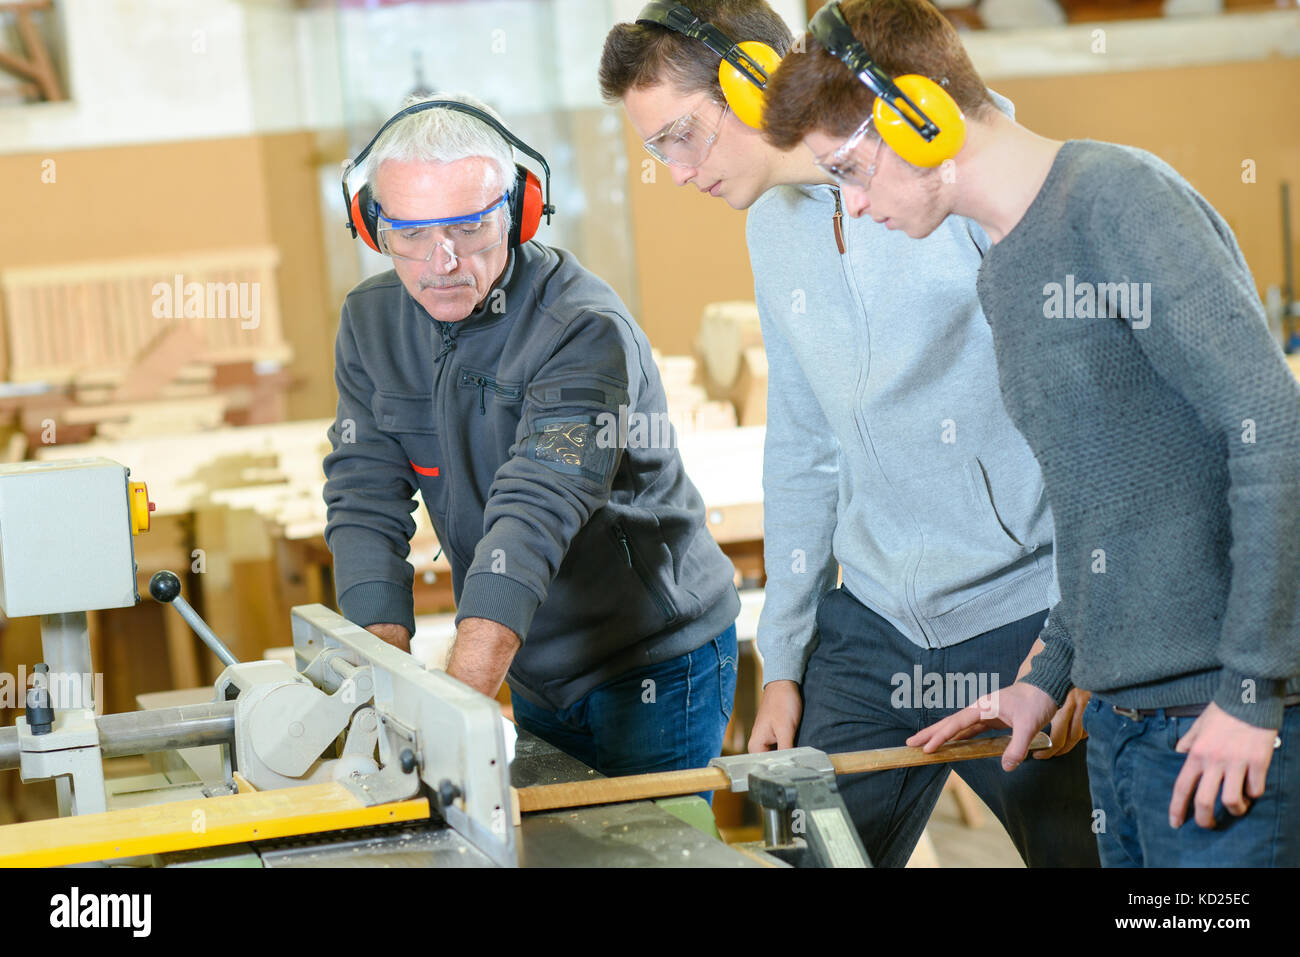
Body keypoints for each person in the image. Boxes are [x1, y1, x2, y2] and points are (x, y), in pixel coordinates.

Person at [762, 0, 1300, 866]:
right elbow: (1093, 515)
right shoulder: (1009, 261)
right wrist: (1045, 673)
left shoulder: (1117, 197)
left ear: (920, 117)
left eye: (852, 170)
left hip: (1214, 721)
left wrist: (1249, 693)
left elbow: (1274, 431)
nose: (853, 209)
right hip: (1124, 723)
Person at [600, 1, 1098, 866]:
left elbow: (1087, 428)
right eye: (656, 151)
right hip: (867, 629)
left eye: (681, 136)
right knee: (807, 854)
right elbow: (801, 445)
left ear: (751, 77)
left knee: (1090, 860)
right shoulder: (772, 227)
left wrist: (1079, 638)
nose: (675, 173)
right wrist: (785, 659)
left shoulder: (946, 174)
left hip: (1019, 615)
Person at [323, 92, 740, 781]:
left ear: (519, 212)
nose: (442, 260)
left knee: (651, 854)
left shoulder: (580, 326)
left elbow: (532, 515)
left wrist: (449, 712)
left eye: (469, 227)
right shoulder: (370, 324)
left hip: (651, 662)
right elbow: (365, 497)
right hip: (528, 654)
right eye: (412, 232)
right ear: (372, 227)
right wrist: (381, 687)